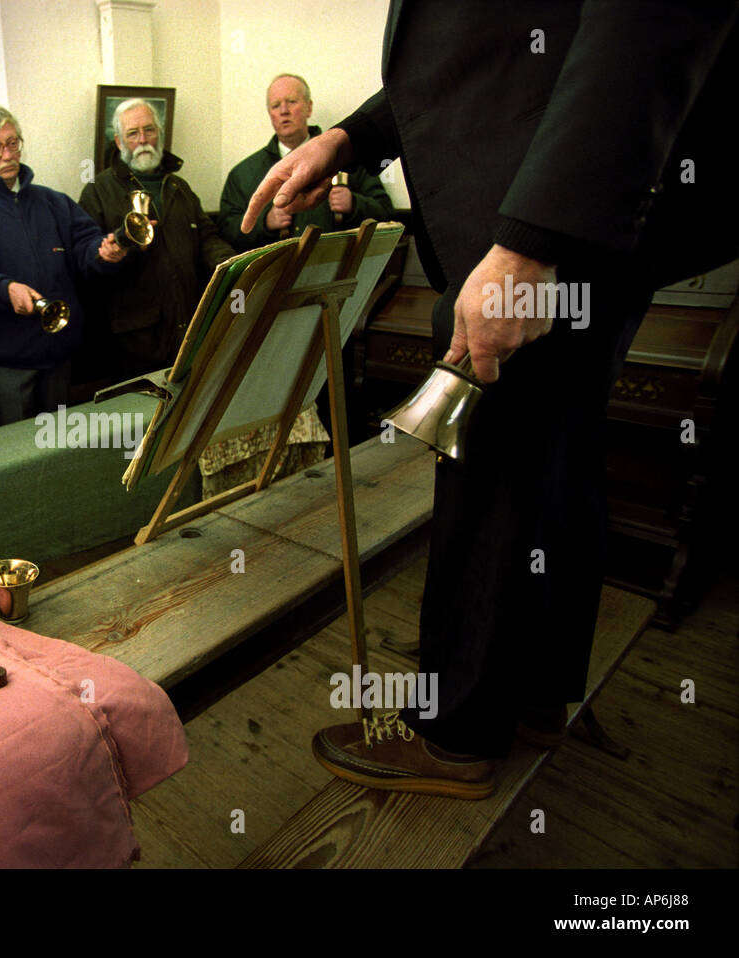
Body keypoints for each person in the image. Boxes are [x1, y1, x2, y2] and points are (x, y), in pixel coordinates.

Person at [243, 4, 738, 798]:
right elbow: (500, 42)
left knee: (492, 464)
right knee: (557, 450)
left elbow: (643, 24)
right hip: (573, 202)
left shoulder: (540, 236)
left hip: (545, 208)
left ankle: (455, 733)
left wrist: (534, 242)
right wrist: (350, 138)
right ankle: (536, 694)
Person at [0, 106, 125, 425]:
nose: (6, 154)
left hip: (59, 349)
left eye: (13, 143)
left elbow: (85, 246)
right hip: (9, 357)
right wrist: (5, 289)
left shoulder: (53, 201)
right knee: (20, 452)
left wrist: (102, 252)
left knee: (58, 441)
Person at [78, 98, 236, 379]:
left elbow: (207, 238)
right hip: (135, 344)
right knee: (143, 421)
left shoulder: (178, 186)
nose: (143, 139)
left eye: (149, 130)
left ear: (160, 133)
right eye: (133, 133)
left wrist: (234, 266)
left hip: (189, 330)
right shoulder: (97, 191)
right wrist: (112, 252)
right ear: (118, 141)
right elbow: (89, 263)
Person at [218, 74, 392, 252]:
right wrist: (265, 222)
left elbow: (387, 215)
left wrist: (355, 205)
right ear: (270, 114)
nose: (283, 110)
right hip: (276, 276)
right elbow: (227, 232)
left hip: (337, 271)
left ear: (309, 108)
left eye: (292, 101)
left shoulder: (344, 156)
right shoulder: (242, 173)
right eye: (275, 105)